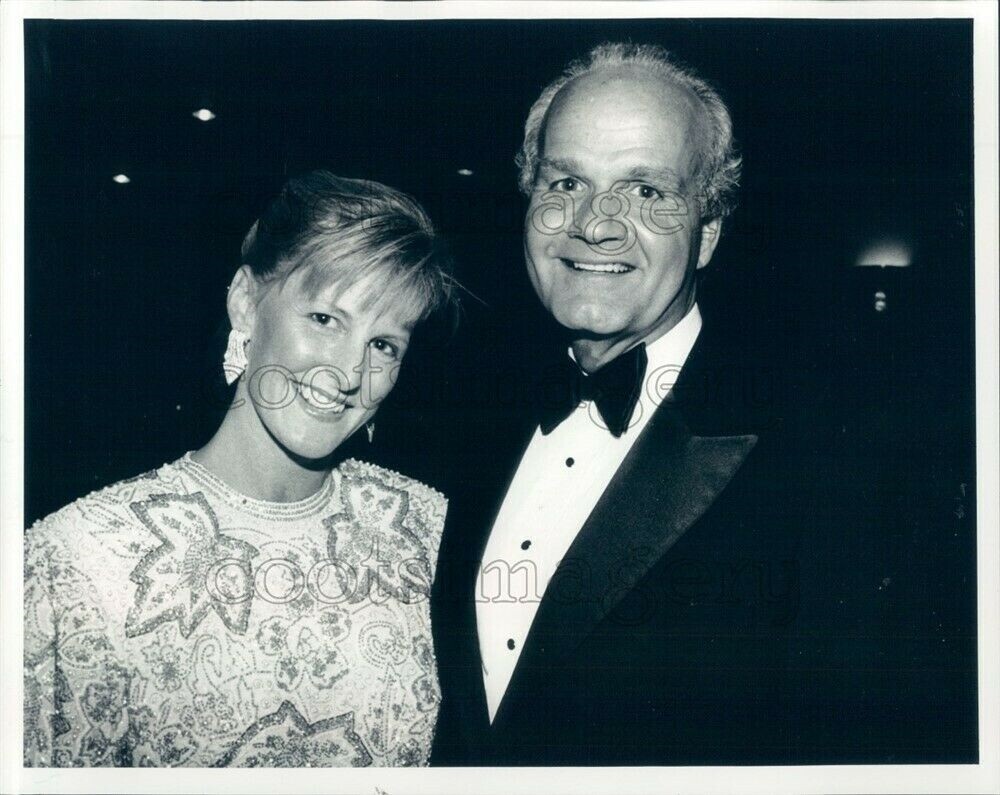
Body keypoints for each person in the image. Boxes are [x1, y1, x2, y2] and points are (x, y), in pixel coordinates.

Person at [430, 43, 977, 765]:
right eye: (566, 180)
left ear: (707, 233)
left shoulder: (829, 462)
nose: (595, 222)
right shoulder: (456, 426)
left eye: (648, 191)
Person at [23, 170, 456, 767]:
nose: (351, 372)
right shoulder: (73, 562)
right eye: (325, 320)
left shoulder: (429, 535)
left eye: (384, 345)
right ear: (246, 304)